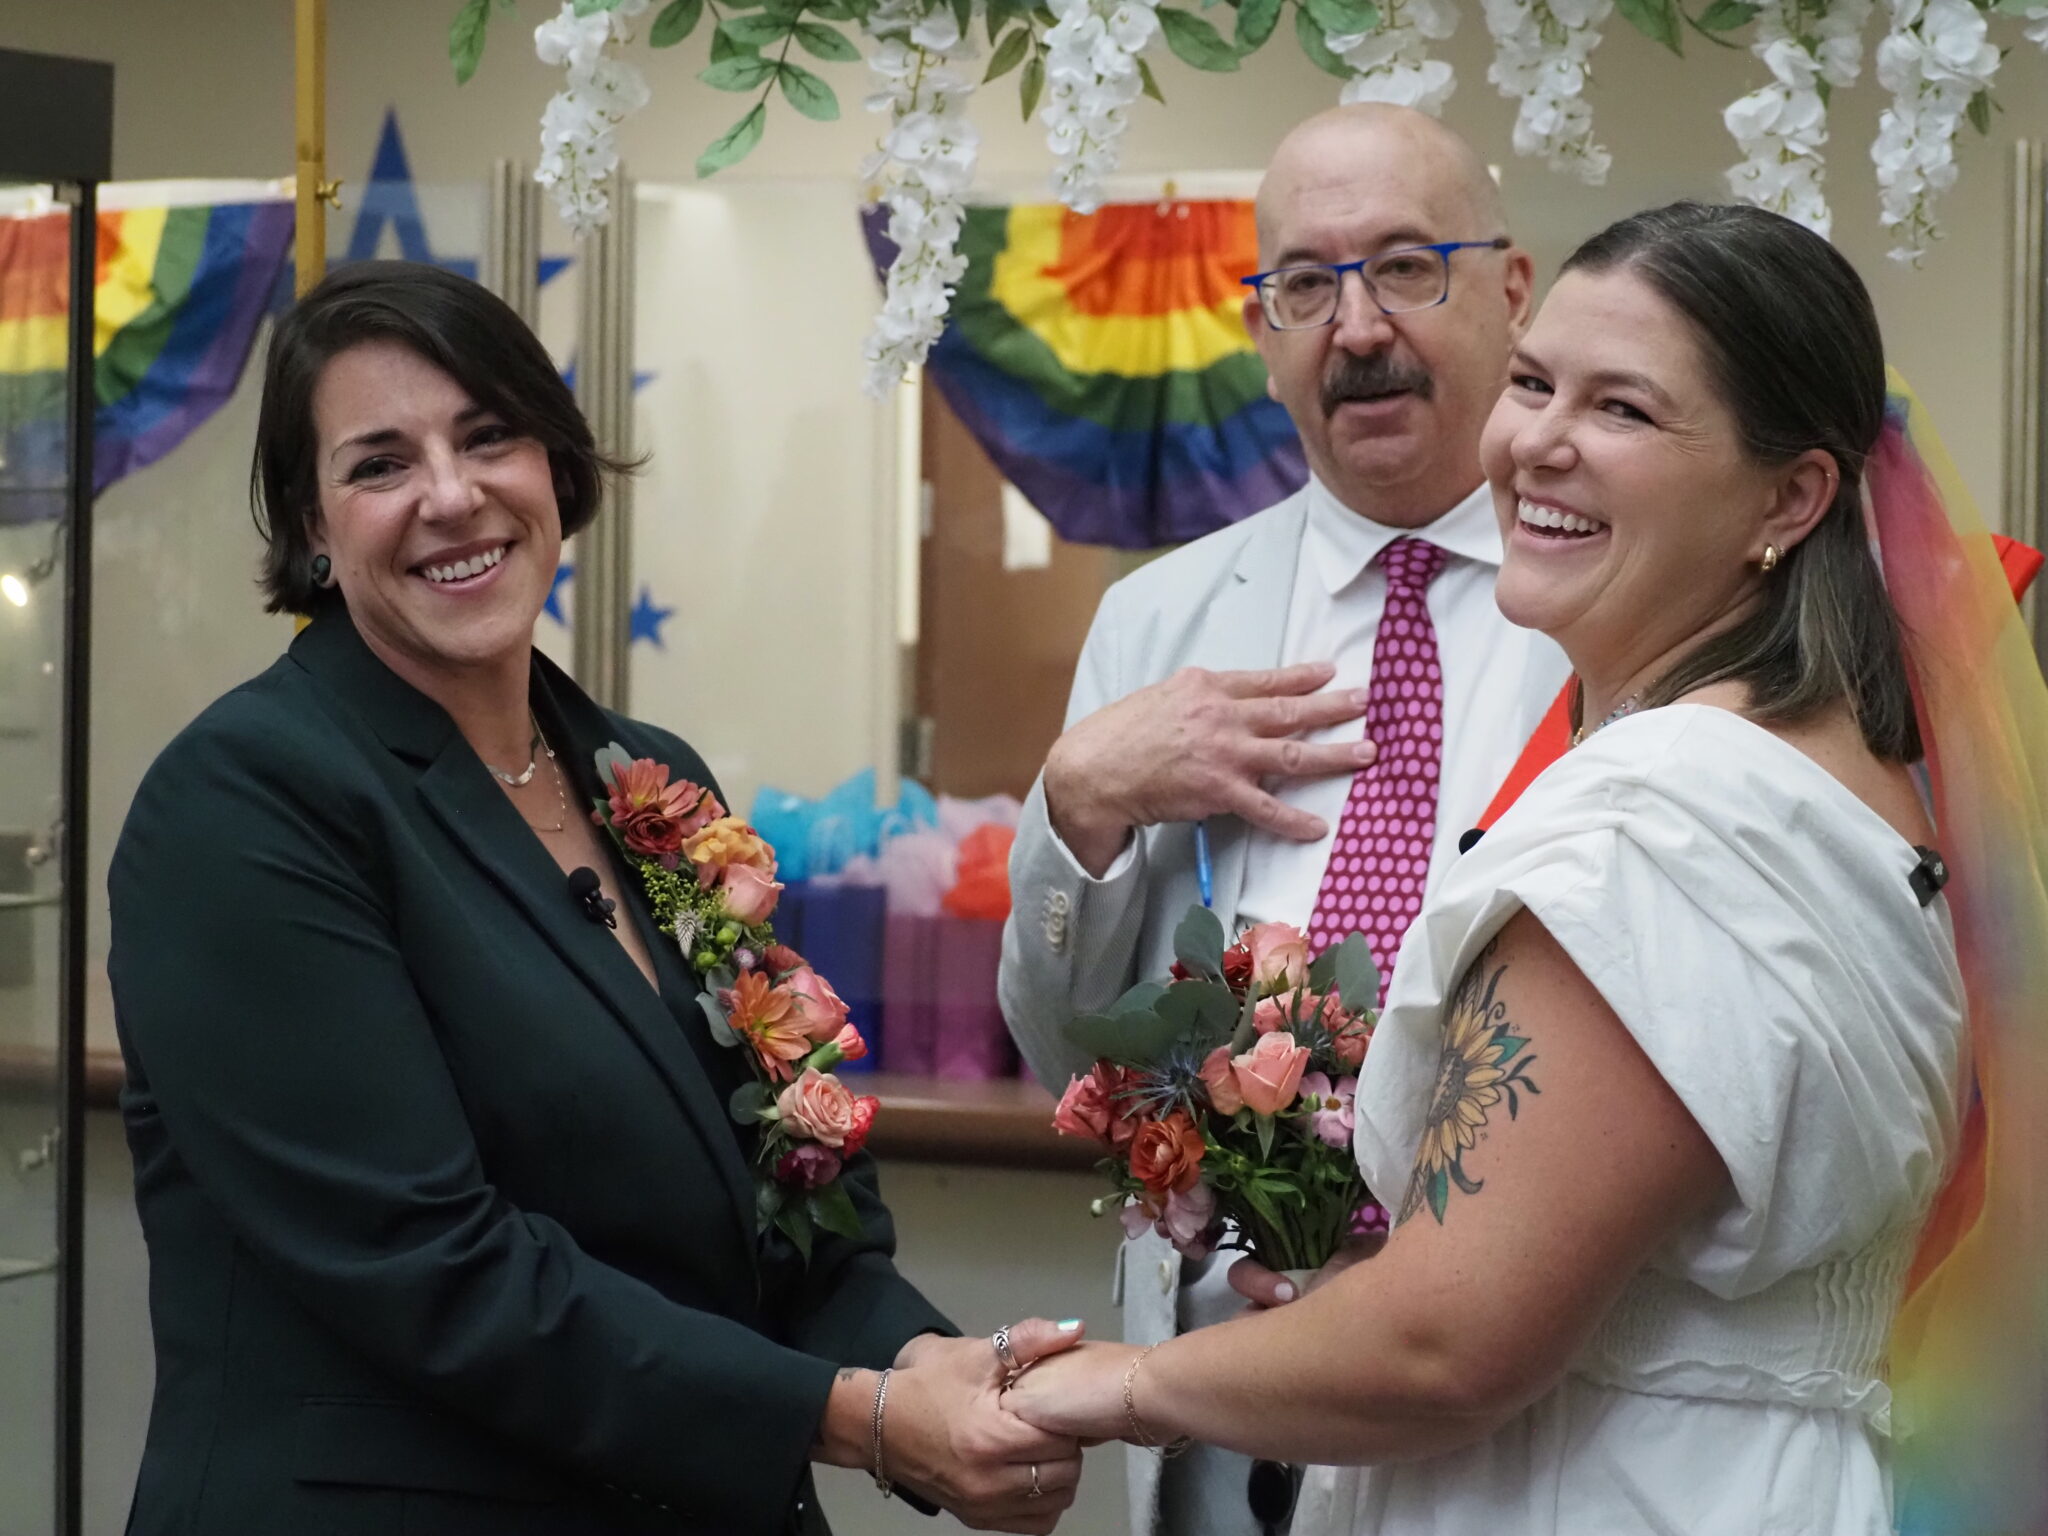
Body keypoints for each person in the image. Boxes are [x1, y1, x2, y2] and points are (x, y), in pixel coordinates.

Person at [1002, 200, 1998, 1534]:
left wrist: (1117, 1385)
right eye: (1535, 384)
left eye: (1626, 411)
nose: (1539, 442)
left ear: (1792, 496)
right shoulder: (1829, 774)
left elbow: (1447, 1347)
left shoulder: (1662, 828)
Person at [107, 260, 1085, 1536]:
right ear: (308, 528)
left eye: (488, 436)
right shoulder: (243, 805)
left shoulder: (647, 776)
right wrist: (856, 1419)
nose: (452, 497)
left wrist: (924, 1365)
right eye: (379, 463)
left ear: (553, 468)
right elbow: (430, 1268)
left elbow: (786, 1193)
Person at [996, 104, 1568, 1533]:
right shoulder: (1162, 621)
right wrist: (1080, 809)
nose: (1356, 328)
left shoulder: (1614, 608)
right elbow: (1073, 1056)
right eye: (1306, 286)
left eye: (1405, 267)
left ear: (1511, 291)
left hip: (1516, 1403)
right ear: (1264, 333)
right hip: (1215, 1402)